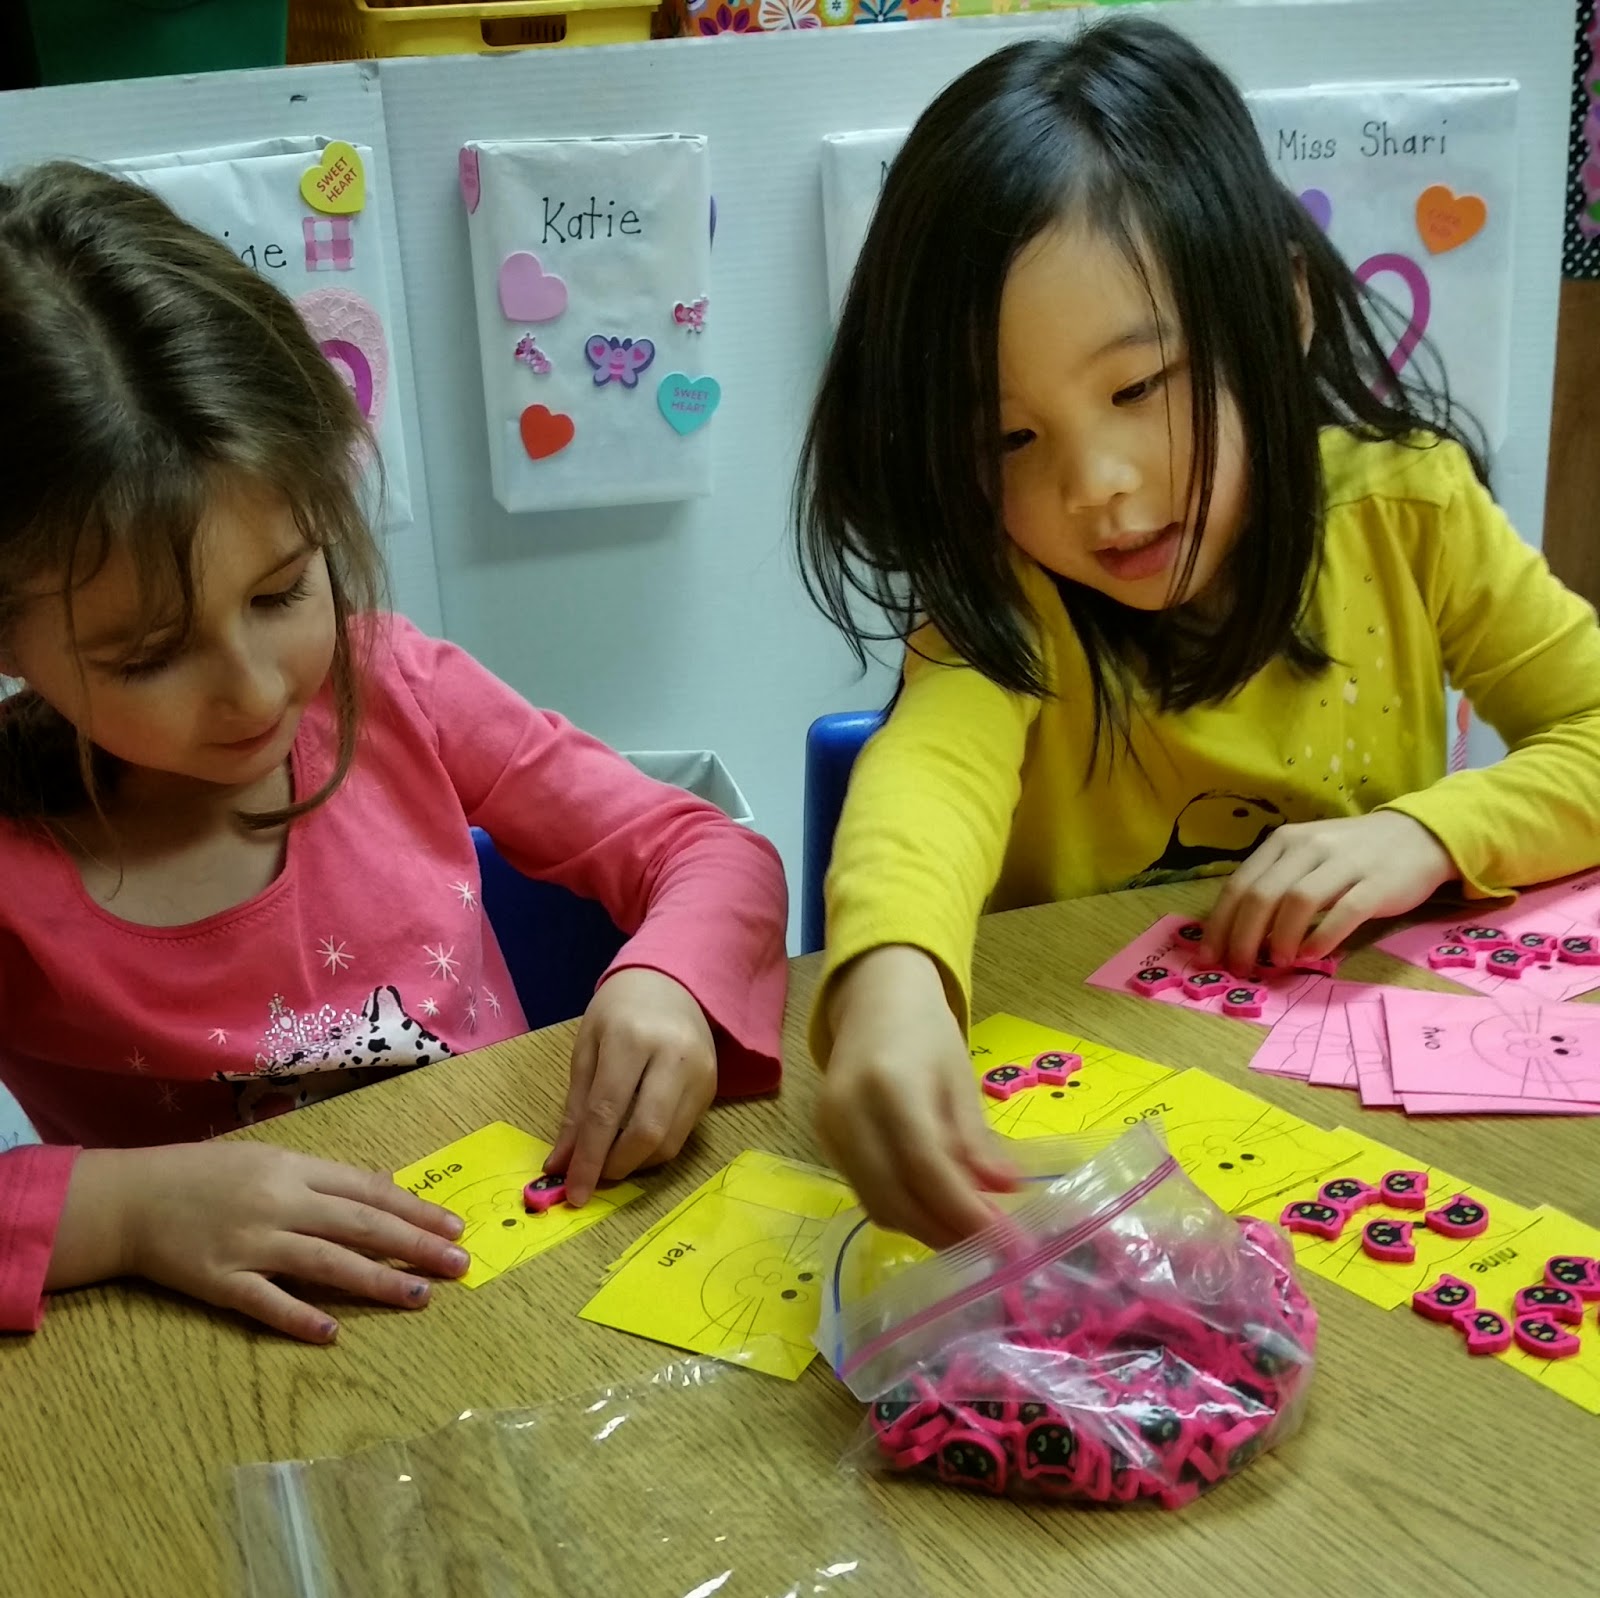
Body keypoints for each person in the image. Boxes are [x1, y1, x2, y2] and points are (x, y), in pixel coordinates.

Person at [795, 16, 1600, 1247]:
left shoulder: (1408, 510)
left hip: (1362, 1152)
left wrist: (1427, 832)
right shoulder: (1005, 593)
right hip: (1103, 1164)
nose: (1098, 486)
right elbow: (924, 783)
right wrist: (893, 981)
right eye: (1006, 436)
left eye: (1139, 386)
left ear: (1276, 310)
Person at [0, 162, 788, 1341]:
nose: (255, 689)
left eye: (281, 590)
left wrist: (667, 977)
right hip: (219, 1365)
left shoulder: (404, 688)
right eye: (148, 657)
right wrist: (123, 1208)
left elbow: (709, 854)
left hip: (525, 1292)